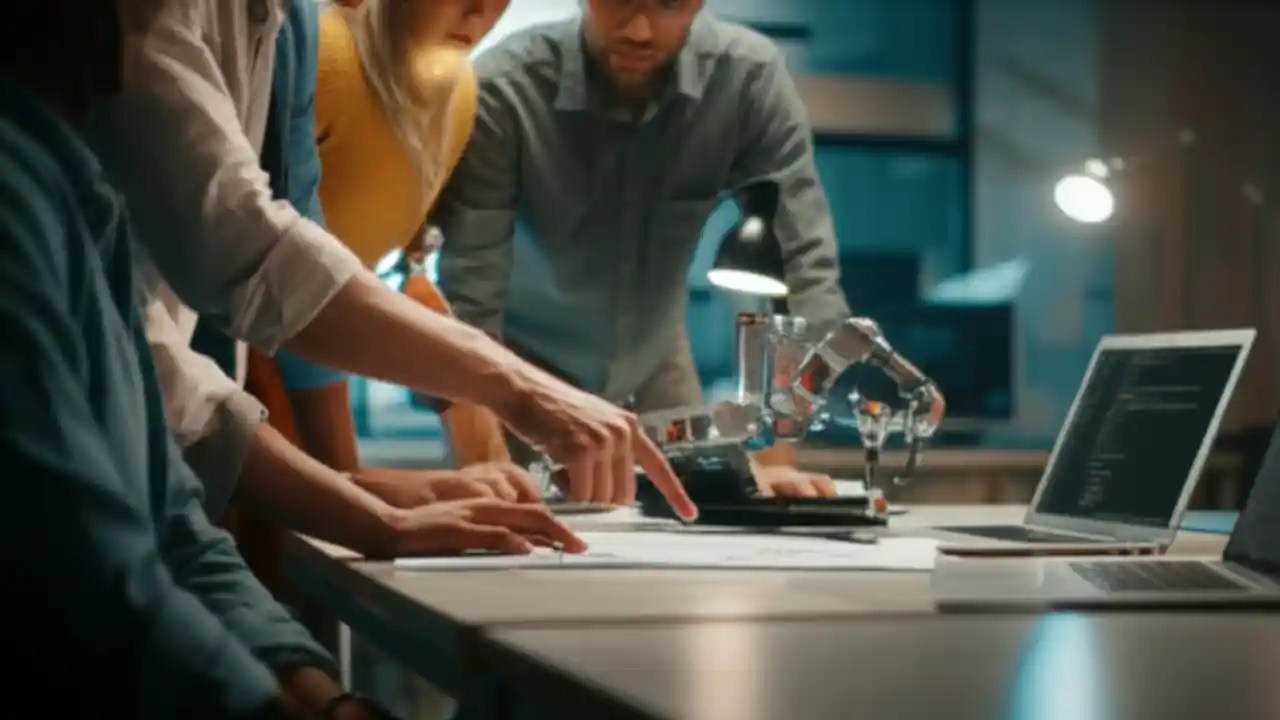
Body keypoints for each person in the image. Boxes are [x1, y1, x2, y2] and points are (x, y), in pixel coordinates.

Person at [0, 4, 581, 717]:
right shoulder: (22, 197)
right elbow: (250, 257)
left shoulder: (88, 203)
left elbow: (175, 517)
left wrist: (324, 693)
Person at [88, 0, 698, 529]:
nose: (480, 12)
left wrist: (350, 485)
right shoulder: (316, 48)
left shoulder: (309, 30)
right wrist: (519, 390)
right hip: (189, 412)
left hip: (190, 423)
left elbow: (328, 266)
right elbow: (258, 262)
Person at [437, 0, 844, 498]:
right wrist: (484, 463)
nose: (640, 30)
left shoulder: (747, 80)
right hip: (518, 373)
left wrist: (776, 454)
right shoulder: (505, 87)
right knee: (516, 528)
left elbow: (801, 266)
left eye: (669, 4)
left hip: (656, 356)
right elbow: (467, 300)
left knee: (717, 513)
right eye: (619, 0)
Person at [252, 0, 528, 508]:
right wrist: (344, 473)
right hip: (233, 380)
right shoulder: (327, 54)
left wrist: (489, 457)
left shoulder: (458, 91)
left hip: (292, 368)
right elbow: (288, 271)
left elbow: (411, 274)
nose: (479, 10)